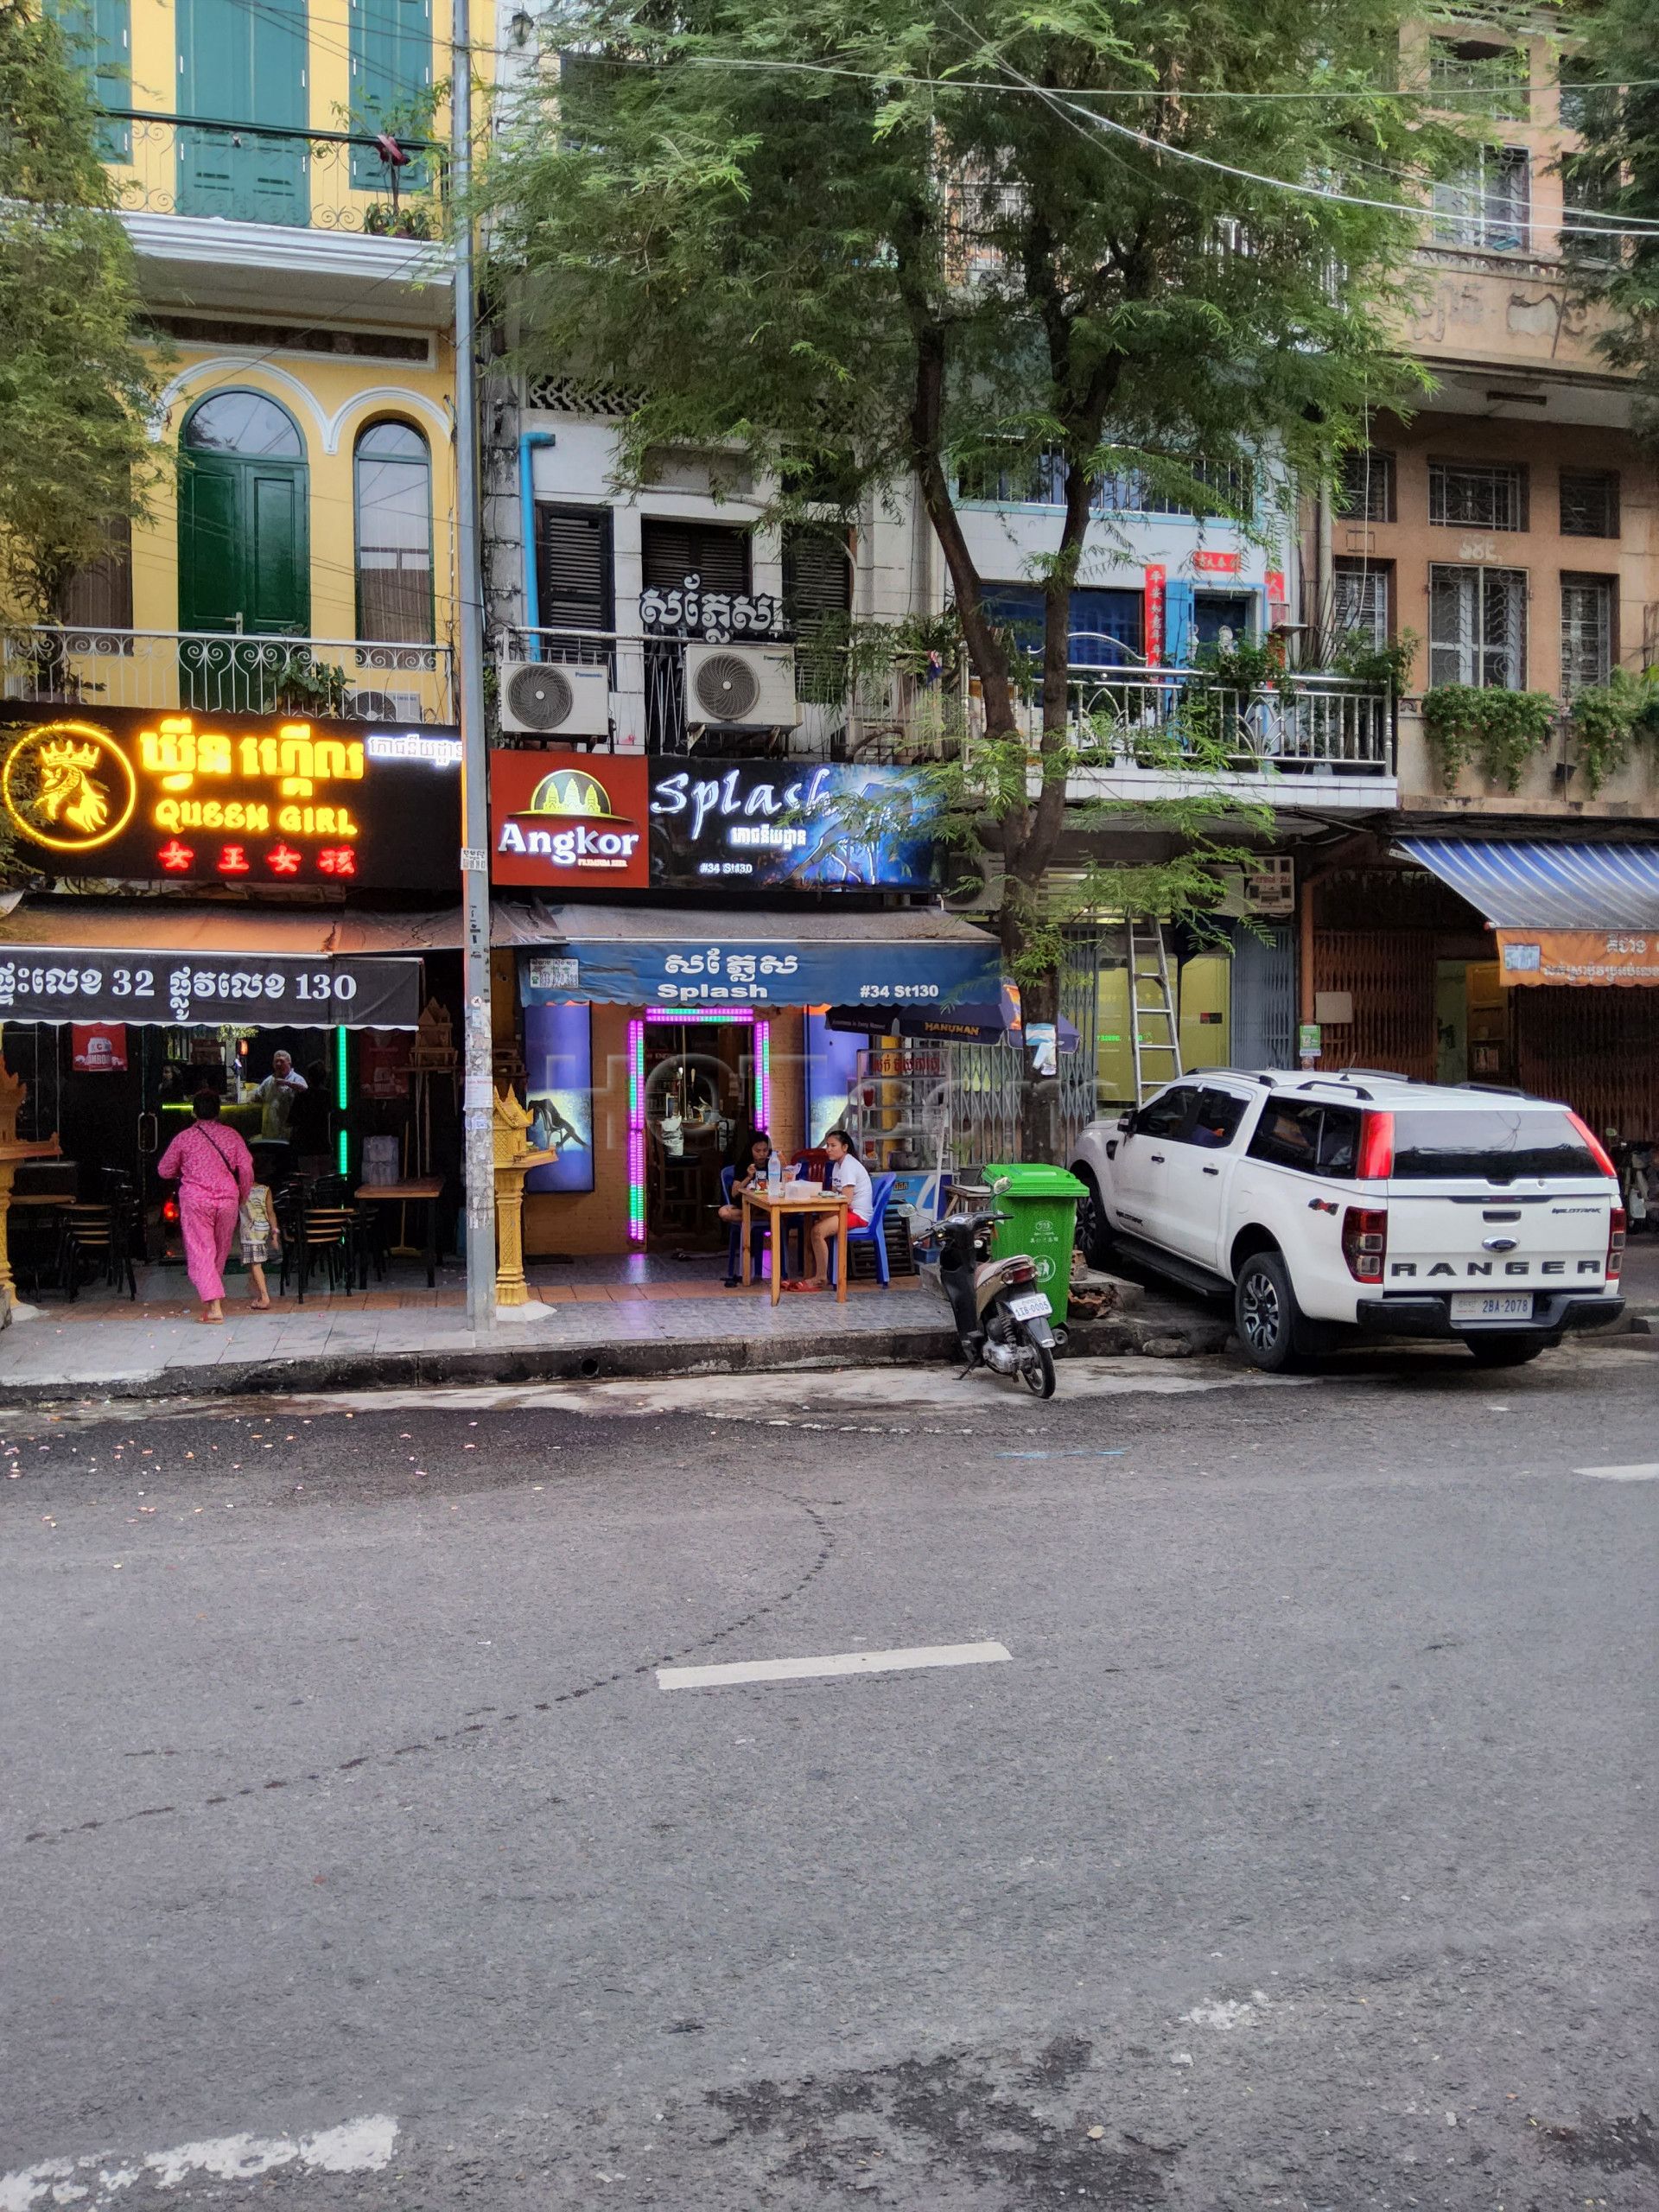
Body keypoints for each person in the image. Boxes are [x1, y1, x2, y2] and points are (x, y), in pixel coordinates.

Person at [156, 1090, 254, 1324]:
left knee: (202, 1250)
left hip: (196, 1200)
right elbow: (247, 1168)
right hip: (228, 1199)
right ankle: (214, 1300)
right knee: (220, 1250)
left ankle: (214, 1306)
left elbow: (164, 1170)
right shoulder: (232, 1136)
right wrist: (243, 1195)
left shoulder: (184, 1138)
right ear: (219, 1111)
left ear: (193, 1111)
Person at [788, 1128, 873, 1294]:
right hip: (845, 1210)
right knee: (816, 1222)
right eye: (827, 1145)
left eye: (833, 1146)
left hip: (858, 1214)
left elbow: (846, 1199)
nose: (828, 1150)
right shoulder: (837, 1166)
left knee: (818, 1231)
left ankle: (820, 1277)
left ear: (845, 1147)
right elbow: (834, 1194)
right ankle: (813, 1272)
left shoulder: (848, 1165)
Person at [718, 1132, 776, 1287]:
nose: (762, 1154)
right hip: (745, 1208)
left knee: (782, 1214)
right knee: (724, 1212)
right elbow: (735, 1192)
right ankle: (760, 1219)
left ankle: (761, 1218)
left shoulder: (773, 1164)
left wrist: (781, 1167)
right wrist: (749, 1177)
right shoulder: (744, 1165)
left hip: (767, 1207)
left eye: (765, 1150)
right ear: (750, 1150)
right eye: (758, 1151)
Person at [238, 1181, 280, 1312]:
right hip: (262, 1228)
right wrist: (274, 1234)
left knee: (256, 1265)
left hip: (250, 1231)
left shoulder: (239, 1190)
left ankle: (264, 1297)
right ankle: (258, 1295)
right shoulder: (265, 1189)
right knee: (255, 1264)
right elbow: (270, 1212)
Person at [253, 1051, 308, 1147]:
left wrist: (286, 1083)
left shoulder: (296, 1078)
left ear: (289, 1063)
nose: (278, 1064)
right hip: (269, 1132)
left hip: (288, 1133)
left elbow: (305, 1089)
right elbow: (257, 1095)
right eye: (276, 1062)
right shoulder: (269, 1080)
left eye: (281, 1061)